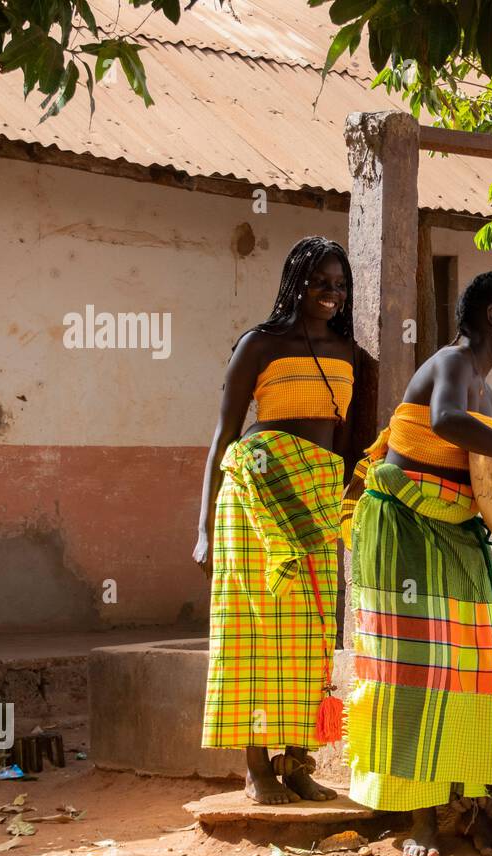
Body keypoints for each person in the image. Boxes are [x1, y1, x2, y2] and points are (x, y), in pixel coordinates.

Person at [344, 271, 492, 856]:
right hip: (403, 533)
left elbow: (484, 471)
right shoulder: (452, 364)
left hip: (455, 538)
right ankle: (422, 820)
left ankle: (471, 806)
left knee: (473, 674)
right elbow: (447, 422)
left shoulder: (491, 397)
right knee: (416, 672)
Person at [195, 236, 363, 804]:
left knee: (312, 634)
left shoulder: (348, 351)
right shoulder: (259, 345)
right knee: (253, 631)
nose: (331, 294)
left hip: (315, 496)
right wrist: (202, 531)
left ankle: (295, 762)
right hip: (257, 491)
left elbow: (350, 441)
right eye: (320, 282)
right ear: (297, 282)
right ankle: (254, 767)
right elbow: (223, 435)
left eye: (339, 285)